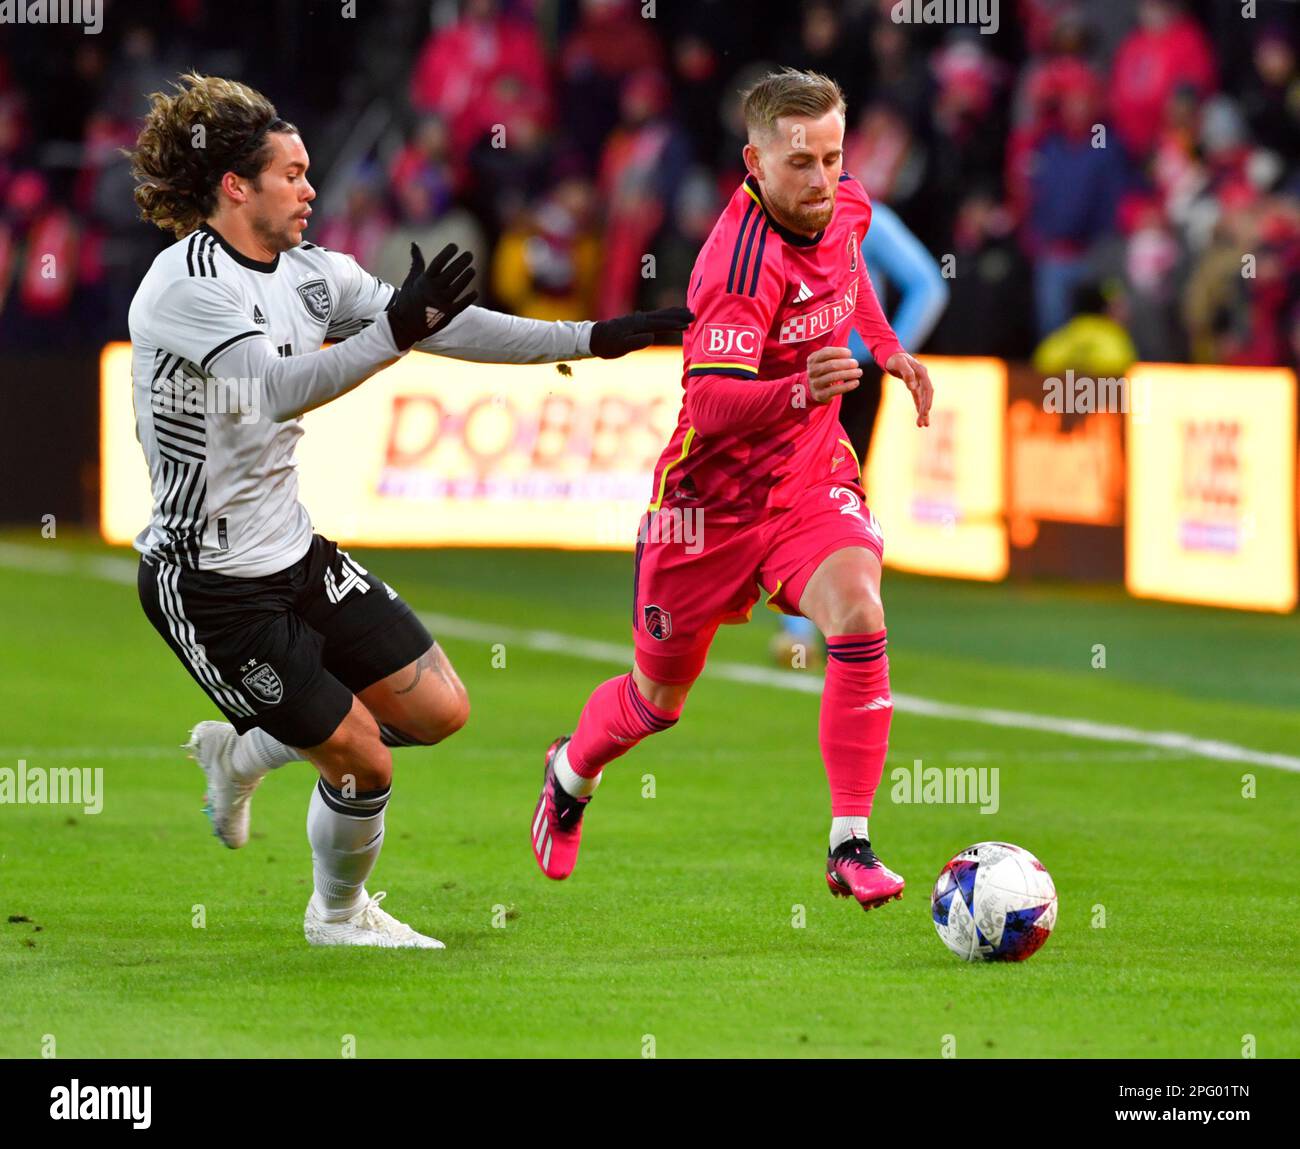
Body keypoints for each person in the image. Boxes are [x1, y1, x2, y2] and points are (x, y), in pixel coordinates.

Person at [126, 74, 689, 949]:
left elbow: (440, 324)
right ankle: (338, 915)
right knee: (363, 757)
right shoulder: (183, 286)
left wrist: (590, 337)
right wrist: (394, 331)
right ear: (235, 186)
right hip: (208, 579)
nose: (312, 189)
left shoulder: (314, 274)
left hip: (292, 550)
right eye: (293, 173)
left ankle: (242, 751)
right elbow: (270, 392)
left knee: (440, 710)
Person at [528, 68, 933, 912]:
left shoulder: (844, 202)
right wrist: (800, 388)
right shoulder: (738, 265)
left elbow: (849, 275)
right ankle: (570, 773)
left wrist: (884, 347)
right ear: (755, 161)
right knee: (656, 701)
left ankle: (849, 842)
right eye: (801, 165)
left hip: (805, 479)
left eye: (832, 157)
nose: (822, 180)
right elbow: (708, 402)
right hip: (703, 512)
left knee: (860, 610)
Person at [773, 197, 948, 667]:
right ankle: (831, 624)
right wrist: (886, 355)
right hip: (846, 371)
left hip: (829, 372)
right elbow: (929, 286)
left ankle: (806, 629)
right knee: (836, 495)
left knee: (800, 492)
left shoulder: (843, 217)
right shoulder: (866, 218)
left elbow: (929, 286)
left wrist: (886, 353)